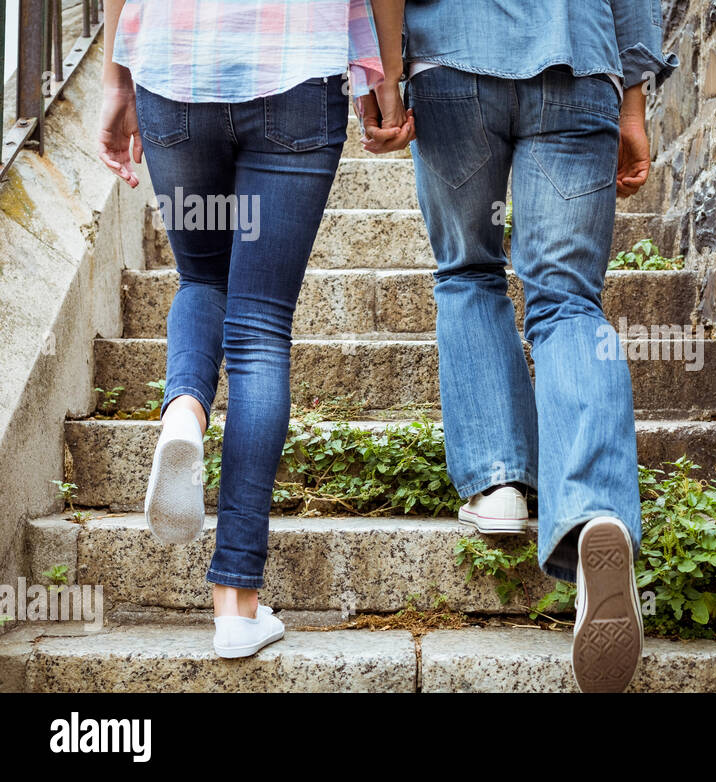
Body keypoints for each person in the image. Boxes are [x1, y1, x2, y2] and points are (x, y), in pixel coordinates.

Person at [361, 0, 677, 692]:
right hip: (580, 61)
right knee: (566, 300)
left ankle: (500, 480)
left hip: (454, 61)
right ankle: (594, 503)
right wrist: (632, 105)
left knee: (469, 269)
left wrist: (384, 78)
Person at [97, 0, 413, 658]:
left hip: (174, 66)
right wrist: (385, 75)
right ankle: (236, 604)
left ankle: (185, 409)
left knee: (201, 278)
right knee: (260, 327)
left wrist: (116, 80)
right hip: (296, 68)